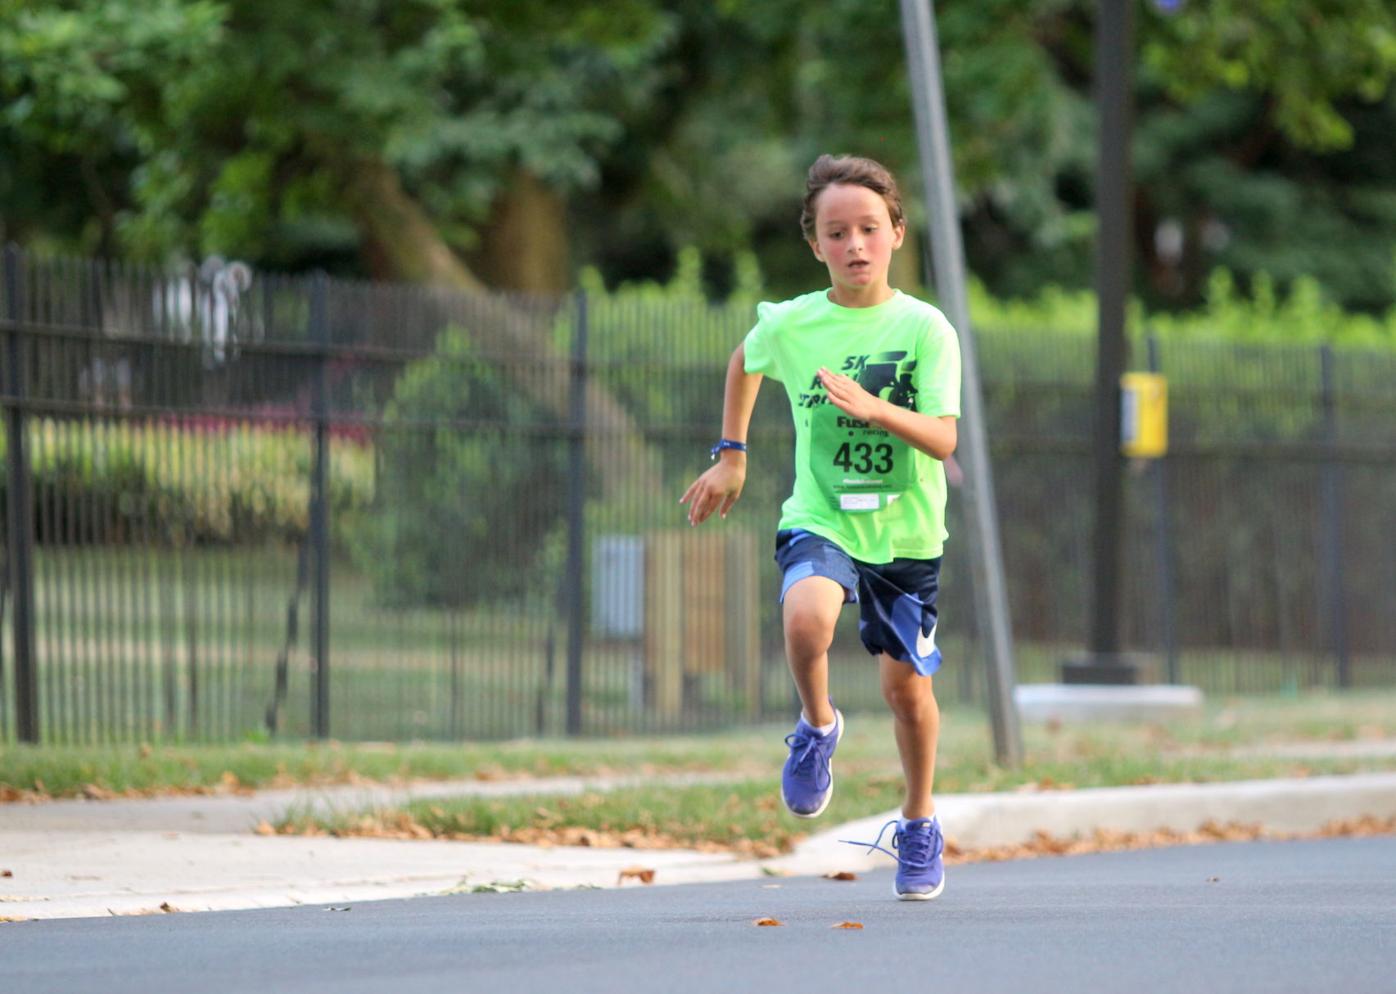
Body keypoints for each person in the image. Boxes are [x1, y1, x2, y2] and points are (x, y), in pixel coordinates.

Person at [680, 154, 961, 901]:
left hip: (905, 536)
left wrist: (875, 410)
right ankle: (817, 725)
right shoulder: (796, 322)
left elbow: (941, 439)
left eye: (870, 228)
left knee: (906, 694)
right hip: (823, 515)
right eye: (837, 233)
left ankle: (920, 820)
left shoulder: (926, 329)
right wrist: (732, 454)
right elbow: (746, 359)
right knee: (807, 619)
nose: (855, 245)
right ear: (816, 245)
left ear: (897, 233)